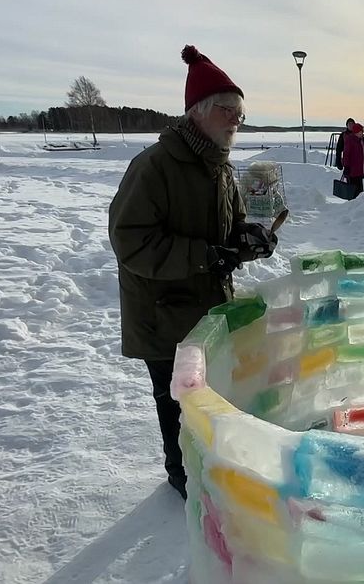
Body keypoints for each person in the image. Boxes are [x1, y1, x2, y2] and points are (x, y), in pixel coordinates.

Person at [107, 45, 278, 499]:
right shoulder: (154, 167)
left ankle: (210, 464)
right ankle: (182, 477)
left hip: (206, 310)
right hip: (163, 316)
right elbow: (131, 242)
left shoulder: (220, 167)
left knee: (211, 394)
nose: (237, 121)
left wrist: (250, 239)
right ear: (199, 112)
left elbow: (231, 228)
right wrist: (206, 255)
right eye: (229, 111)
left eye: (241, 113)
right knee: (177, 402)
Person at [341, 122, 364, 197]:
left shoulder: (361, 140)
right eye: (360, 131)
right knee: (353, 191)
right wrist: (346, 167)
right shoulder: (350, 140)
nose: (362, 133)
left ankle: (358, 205)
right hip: (352, 171)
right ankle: (352, 205)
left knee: (360, 191)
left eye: (362, 132)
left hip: (359, 170)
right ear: (356, 132)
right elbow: (346, 154)